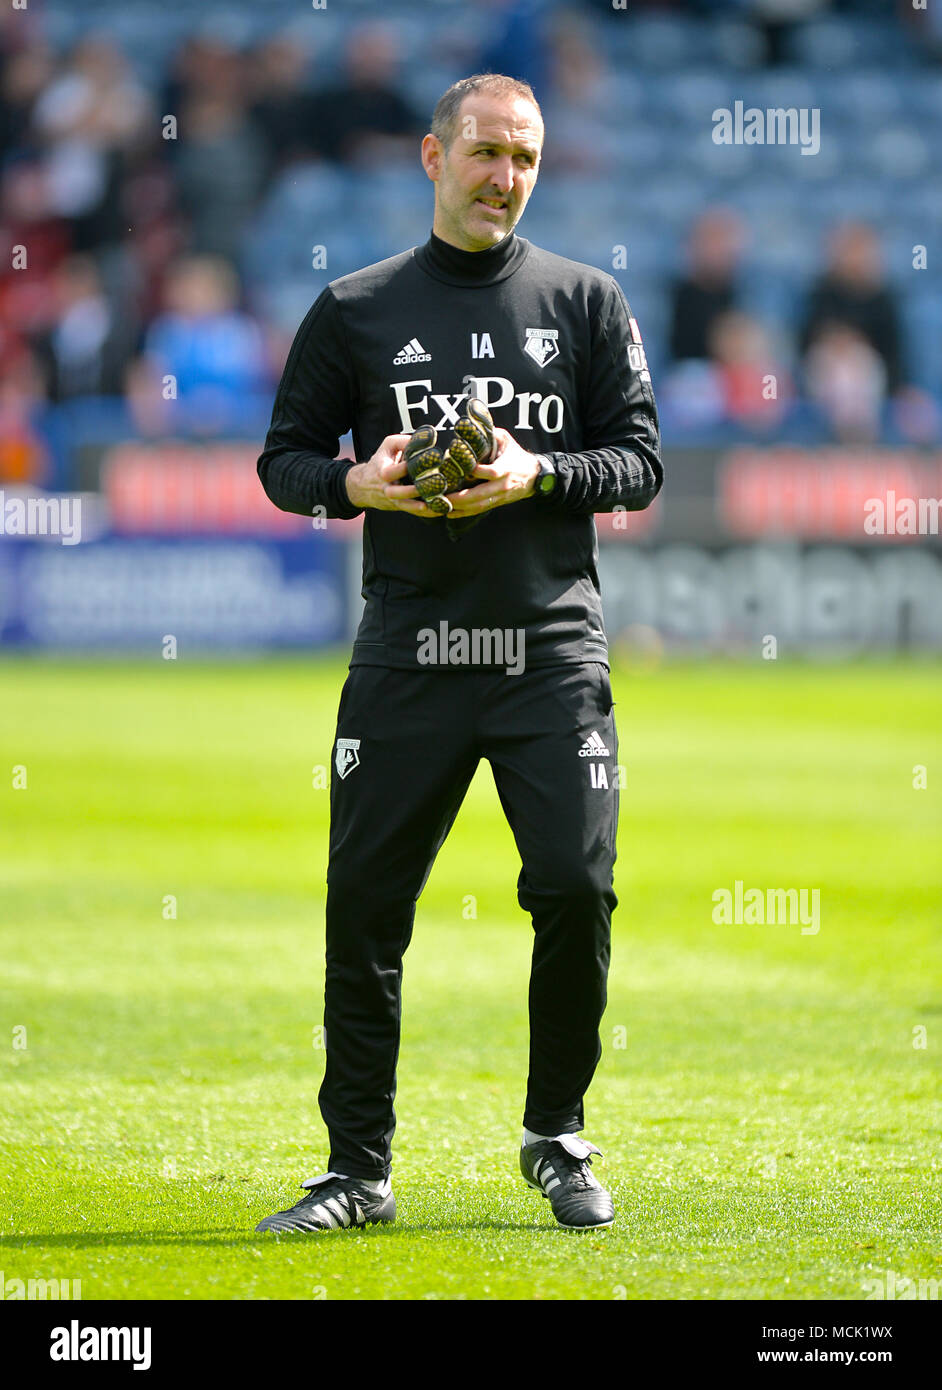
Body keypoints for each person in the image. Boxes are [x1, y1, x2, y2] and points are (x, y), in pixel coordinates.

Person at [254, 73, 662, 1235]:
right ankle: (357, 1170)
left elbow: (639, 461)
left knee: (577, 888)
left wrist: (539, 472)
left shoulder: (584, 301)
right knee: (365, 903)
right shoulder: (356, 306)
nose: (506, 178)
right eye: (486, 152)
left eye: (526, 159)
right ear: (433, 157)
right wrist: (356, 482)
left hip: (549, 651)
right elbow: (283, 458)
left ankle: (557, 1133)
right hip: (409, 651)